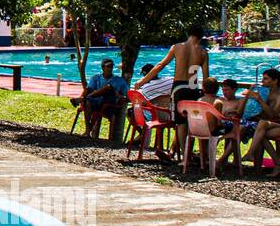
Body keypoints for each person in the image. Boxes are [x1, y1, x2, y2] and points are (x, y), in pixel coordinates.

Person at [134, 25, 209, 154]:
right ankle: (185, 154)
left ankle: (184, 155)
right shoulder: (203, 53)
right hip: (193, 87)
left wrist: (142, 81)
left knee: (180, 123)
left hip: (179, 87)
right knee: (191, 121)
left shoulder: (177, 47)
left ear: (188, 34)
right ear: (201, 37)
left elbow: (160, 65)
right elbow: (206, 77)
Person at [76, 58, 127, 136]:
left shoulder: (119, 80)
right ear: (103, 67)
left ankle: (82, 99)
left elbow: (126, 96)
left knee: (108, 88)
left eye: (111, 66)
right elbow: (88, 89)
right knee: (88, 100)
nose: (110, 68)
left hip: (109, 103)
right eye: (108, 66)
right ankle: (87, 130)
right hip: (96, 102)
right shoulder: (96, 78)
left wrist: (117, 95)